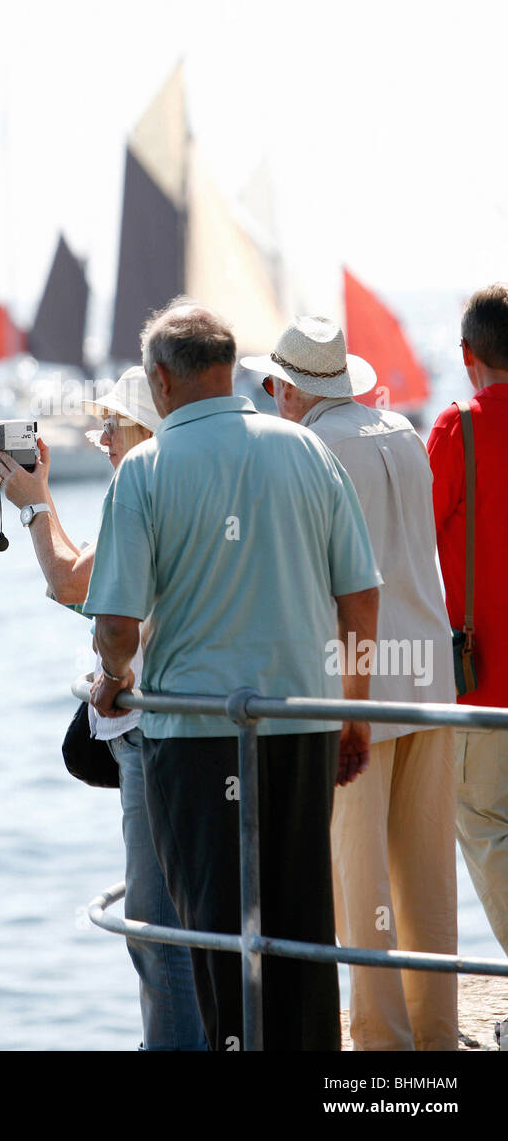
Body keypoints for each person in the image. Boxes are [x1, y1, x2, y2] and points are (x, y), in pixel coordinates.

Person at [84, 298, 381, 1052]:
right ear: (231, 370)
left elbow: (116, 627)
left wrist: (110, 680)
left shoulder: (143, 470)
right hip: (303, 722)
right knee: (301, 923)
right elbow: (360, 596)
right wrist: (352, 712)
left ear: (158, 378)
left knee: (216, 933)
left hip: (195, 733)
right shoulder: (305, 451)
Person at [242, 315, 458, 1052]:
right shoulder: (399, 431)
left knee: (358, 878)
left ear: (289, 389)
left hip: (356, 684)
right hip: (429, 675)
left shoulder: (306, 450)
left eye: (272, 386)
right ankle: (435, 1034)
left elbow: (304, 581)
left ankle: (380, 1043)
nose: (270, 399)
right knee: (427, 876)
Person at [0, 366, 207, 1051]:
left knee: (153, 922)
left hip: (157, 732)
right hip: (220, 725)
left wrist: (32, 502)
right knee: (216, 915)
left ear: (145, 426)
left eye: (111, 421)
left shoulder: (139, 481)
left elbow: (73, 585)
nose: (100, 433)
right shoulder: (202, 481)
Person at [428, 284, 508, 955]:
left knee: (485, 822)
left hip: (484, 678)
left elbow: (411, 539)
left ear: (465, 354)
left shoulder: (459, 427)